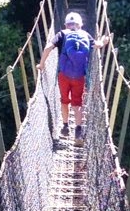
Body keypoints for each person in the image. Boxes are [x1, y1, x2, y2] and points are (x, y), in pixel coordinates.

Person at [39, 11, 110, 139]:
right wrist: (104, 41)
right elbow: (98, 45)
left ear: (66, 25)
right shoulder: (85, 35)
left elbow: (48, 47)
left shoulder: (62, 34)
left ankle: (65, 127)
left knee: (64, 100)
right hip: (79, 76)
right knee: (77, 103)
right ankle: (78, 131)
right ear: (80, 25)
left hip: (64, 75)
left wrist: (42, 64)